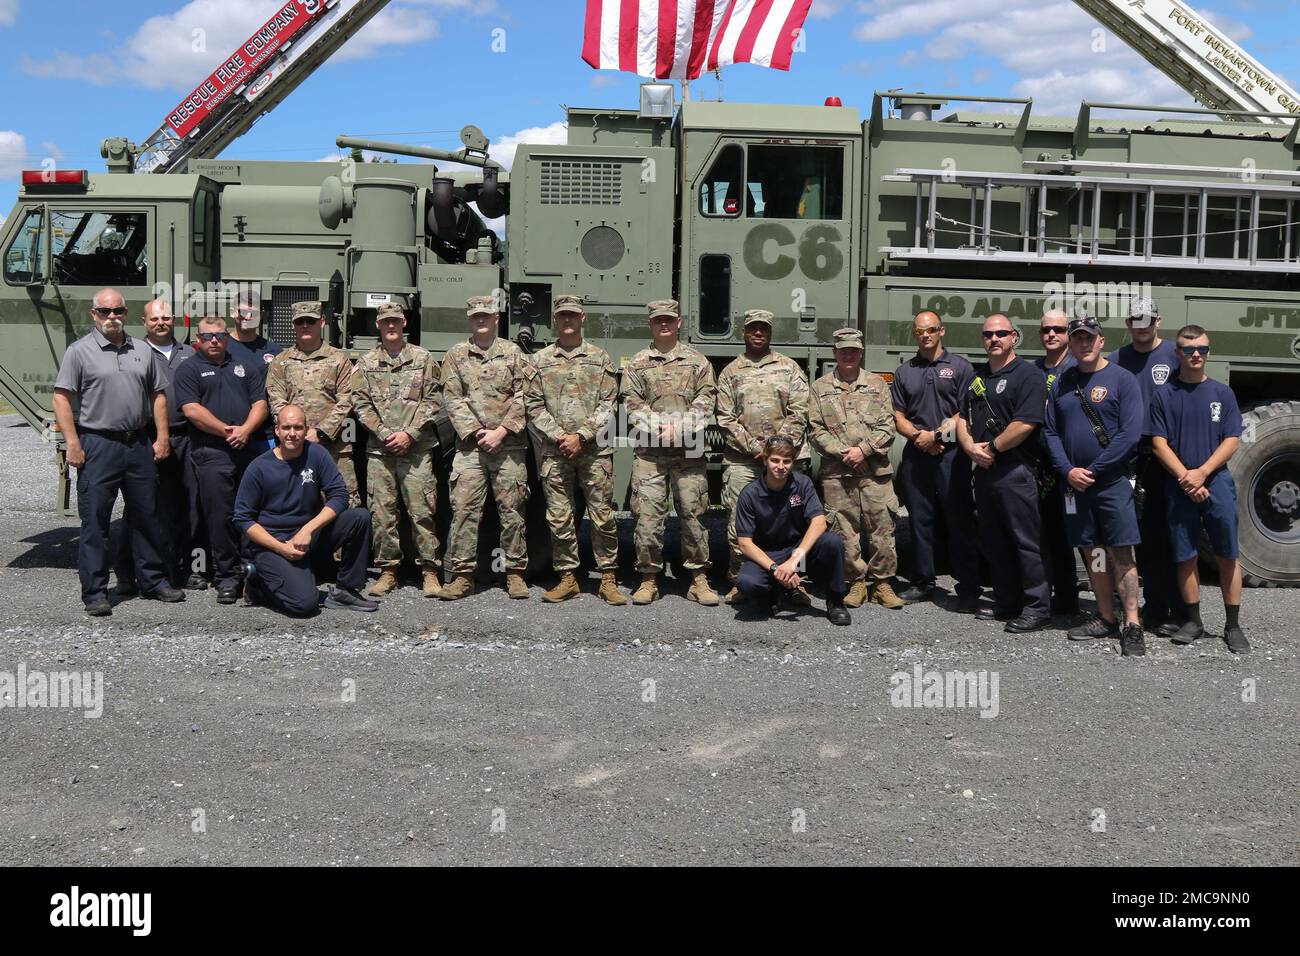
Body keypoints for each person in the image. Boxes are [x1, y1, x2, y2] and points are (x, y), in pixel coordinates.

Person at [52, 288, 184, 616]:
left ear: (126, 314)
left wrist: (163, 437)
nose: (112, 317)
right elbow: (61, 398)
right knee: (96, 520)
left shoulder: (142, 350)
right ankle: (96, 591)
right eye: (105, 312)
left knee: (146, 515)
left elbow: (158, 396)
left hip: (138, 443)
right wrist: (73, 443)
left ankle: (152, 580)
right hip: (98, 444)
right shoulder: (79, 352)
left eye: (118, 311)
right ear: (93, 314)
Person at [1044, 316, 1146, 656]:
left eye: (1090, 338)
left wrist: (1095, 470)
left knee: (1122, 552)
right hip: (1076, 485)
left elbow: (1130, 434)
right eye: (1078, 339)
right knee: (1094, 553)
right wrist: (1067, 470)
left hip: (1111, 483)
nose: (1084, 343)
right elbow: (1050, 431)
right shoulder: (1062, 381)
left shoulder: (1122, 380)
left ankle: (1132, 622)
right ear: (1070, 344)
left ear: (1101, 341)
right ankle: (1105, 616)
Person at [1150, 326, 1248, 654]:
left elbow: (1232, 439)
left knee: (1227, 554)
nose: (1196, 355)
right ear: (1176, 352)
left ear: (1209, 352)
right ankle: (1193, 620)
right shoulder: (1164, 395)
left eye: (1202, 349)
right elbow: (1158, 443)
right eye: (1189, 349)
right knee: (1186, 555)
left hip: (1215, 480)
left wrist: (1202, 473)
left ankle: (1232, 626)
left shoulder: (1222, 394)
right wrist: (1186, 478)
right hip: (1180, 484)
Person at [523, 294, 625, 605]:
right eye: (562, 315)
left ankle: (608, 578)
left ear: (583, 319)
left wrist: (581, 436)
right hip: (556, 452)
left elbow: (610, 402)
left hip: (593, 451)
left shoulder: (600, 358)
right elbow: (533, 405)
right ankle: (568, 578)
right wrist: (559, 437)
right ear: (555, 320)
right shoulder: (539, 361)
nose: (567, 320)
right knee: (559, 517)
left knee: (603, 516)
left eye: (573, 315)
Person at [235, 405, 377, 617]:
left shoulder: (316, 454)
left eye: (298, 428)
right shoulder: (259, 468)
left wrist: (308, 529)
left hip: (308, 538)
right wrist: (282, 548)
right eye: (286, 428)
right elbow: (243, 518)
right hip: (274, 543)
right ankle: (258, 586)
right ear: (277, 430)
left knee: (359, 517)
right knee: (304, 606)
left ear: (306, 429)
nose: (292, 433)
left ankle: (345, 590)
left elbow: (339, 495)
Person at [957, 314, 1051, 632]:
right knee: (994, 542)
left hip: (1016, 471)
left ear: (1014, 337)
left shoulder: (1029, 376)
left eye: (1000, 333)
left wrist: (992, 448)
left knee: (1026, 543)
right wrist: (970, 447)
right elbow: (961, 417)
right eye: (987, 335)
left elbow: (1025, 423)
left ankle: (1037, 607)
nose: (993, 339)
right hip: (984, 473)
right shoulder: (976, 377)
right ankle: (1007, 602)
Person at [621, 299, 718, 606]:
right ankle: (649, 579)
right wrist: (662, 428)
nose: (663, 324)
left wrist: (682, 428)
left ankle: (698, 579)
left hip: (689, 453)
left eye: (669, 319)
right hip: (651, 453)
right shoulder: (637, 363)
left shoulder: (697, 361)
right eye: (657, 320)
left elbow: (707, 399)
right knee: (648, 519)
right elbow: (630, 402)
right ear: (650, 324)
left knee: (694, 517)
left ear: (679, 323)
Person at [439, 294, 532, 600]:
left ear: (496, 319)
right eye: (476, 315)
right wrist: (479, 432)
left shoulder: (514, 353)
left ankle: (515, 574)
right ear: (470, 319)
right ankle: (463, 576)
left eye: (486, 315)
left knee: (513, 511)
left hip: (508, 447)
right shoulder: (455, 355)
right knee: (464, 510)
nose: (481, 319)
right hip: (471, 447)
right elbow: (451, 398)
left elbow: (525, 396)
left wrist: (502, 431)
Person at [715, 308, 811, 604]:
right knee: (737, 522)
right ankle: (739, 580)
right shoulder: (731, 372)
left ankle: (797, 582)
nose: (758, 333)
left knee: (796, 523)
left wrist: (776, 452)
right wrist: (757, 450)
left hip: (784, 459)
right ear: (744, 332)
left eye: (764, 329)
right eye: (753, 328)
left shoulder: (789, 368)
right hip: (744, 460)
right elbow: (725, 419)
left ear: (770, 333)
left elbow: (800, 411)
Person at [172, 315, 268, 604]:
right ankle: (227, 577)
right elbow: (191, 410)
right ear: (197, 340)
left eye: (220, 336)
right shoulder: (188, 369)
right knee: (219, 516)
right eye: (208, 336)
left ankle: (253, 573)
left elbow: (260, 403)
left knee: (251, 513)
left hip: (248, 449)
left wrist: (246, 430)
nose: (214, 340)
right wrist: (228, 431)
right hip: (212, 452)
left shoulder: (245, 366)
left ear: (227, 338)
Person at [350, 302, 443, 598]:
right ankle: (388, 571)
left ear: (404, 323)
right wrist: (385, 433)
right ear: (378, 325)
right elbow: (360, 403)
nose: (391, 326)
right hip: (381, 451)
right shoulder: (365, 364)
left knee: (422, 511)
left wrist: (410, 434)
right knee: (382, 512)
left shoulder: (423, 358)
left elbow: (434, 398)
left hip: (416, 450)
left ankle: (429, 571)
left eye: (396, 321)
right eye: (385, 322)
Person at [808, 327, 904, 610]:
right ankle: (856, 583)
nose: (848, 354)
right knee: (843, 529)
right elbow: (815, 430)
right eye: (843, 350)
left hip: (875, 471)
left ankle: (883, 584)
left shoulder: (878, 385)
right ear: (834, 353)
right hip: (838, 474)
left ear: (861, 352)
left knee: (882, 527)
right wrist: (843, 453)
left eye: (854, 350)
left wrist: (863, 450)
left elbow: (889, 424)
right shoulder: (820, 387)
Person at [890, 310, 981, 610]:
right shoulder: (905, 371)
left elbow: (966, 409)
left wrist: (938, 436)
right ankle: (923, 582)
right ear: (914, 334)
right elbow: (897, 415)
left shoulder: (960, 367)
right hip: (917, 456)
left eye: (931, 329)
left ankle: (968, 585)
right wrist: (920, 438)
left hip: (952, 456)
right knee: (920, 521)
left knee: (958, 520)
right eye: (919, 331)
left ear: (942, 331)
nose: (925, 335)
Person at [1109, 296, 1183, 635]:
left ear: (1158, 320)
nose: (1142, 326)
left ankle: (1175, 608)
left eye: (1148, 320)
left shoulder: (1174, 354)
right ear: (1128, 324)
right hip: (1129, 455)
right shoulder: (1116, 359)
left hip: (1165, 454)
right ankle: (1150, 607)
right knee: (1138, 535)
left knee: (1168, 535)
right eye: (1136, 320)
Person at [115, 298, 200, 593]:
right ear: (144, 321)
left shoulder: (190, 354)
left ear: (174, 320)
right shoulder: (132, 354)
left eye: (166, 317)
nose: (161, 322)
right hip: (146, 438)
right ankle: (126, 573)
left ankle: (180, 570)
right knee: (142, 508)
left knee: (184, 507)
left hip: (185, 438)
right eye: (154, 318)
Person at [735, 436, 851, 625]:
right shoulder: (750, 494)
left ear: (792, 462)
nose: (781, 466)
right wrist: (777, 569)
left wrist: (793, 562)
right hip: (768, 555)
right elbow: (745, 543)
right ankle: (776, 591)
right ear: (765, 460)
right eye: (775, 460)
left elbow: (819, 522)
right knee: (748, 583)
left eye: (787, 461)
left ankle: (836, 601)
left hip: (798, 553)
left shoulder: (802, 484)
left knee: (833, 542)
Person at [266, 301, 358, 507]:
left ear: (322, 323)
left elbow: (347, 399)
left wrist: (321, 432)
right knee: (295, 504)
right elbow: (276, 400)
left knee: (343, 504)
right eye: (300, 322)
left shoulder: (339, 359)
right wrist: (296, 433)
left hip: (334, 449)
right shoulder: (281, 362)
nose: (305, 325)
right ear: (293, 325)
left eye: (311, 321)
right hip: (293, 449)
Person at [1033, 309, 1080, 619]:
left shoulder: (1079, 367)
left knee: (1081, 534)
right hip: (1040, 464)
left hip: (1072, 464)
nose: (1052, 334)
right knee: (1046, 532)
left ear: (1068, 333)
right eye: (1046, 330)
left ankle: (1098, 600)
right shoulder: (1032, 369)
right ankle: (1056, 595)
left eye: (1058, 329)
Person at [226, 298, 282, 451]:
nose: (248, 316)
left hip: (266, 435)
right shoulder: (220, 347)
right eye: (242, 311)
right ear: (232, 312)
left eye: (254, 313)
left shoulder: (273, 350)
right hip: (229, 434)